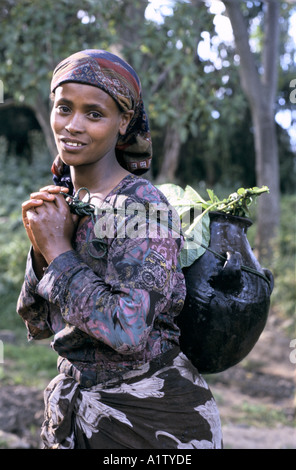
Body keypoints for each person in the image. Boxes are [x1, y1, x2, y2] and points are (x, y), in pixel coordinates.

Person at [17, 49, 222, 449]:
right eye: (64, 108)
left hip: (151, 422)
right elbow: (40, 325)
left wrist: (58, 251)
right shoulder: (65, 200)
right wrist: (42, 247)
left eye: (94, 114)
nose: (72, 126)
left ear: (123, 121)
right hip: (77, 413)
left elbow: (127, 330)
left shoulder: (142, 208)